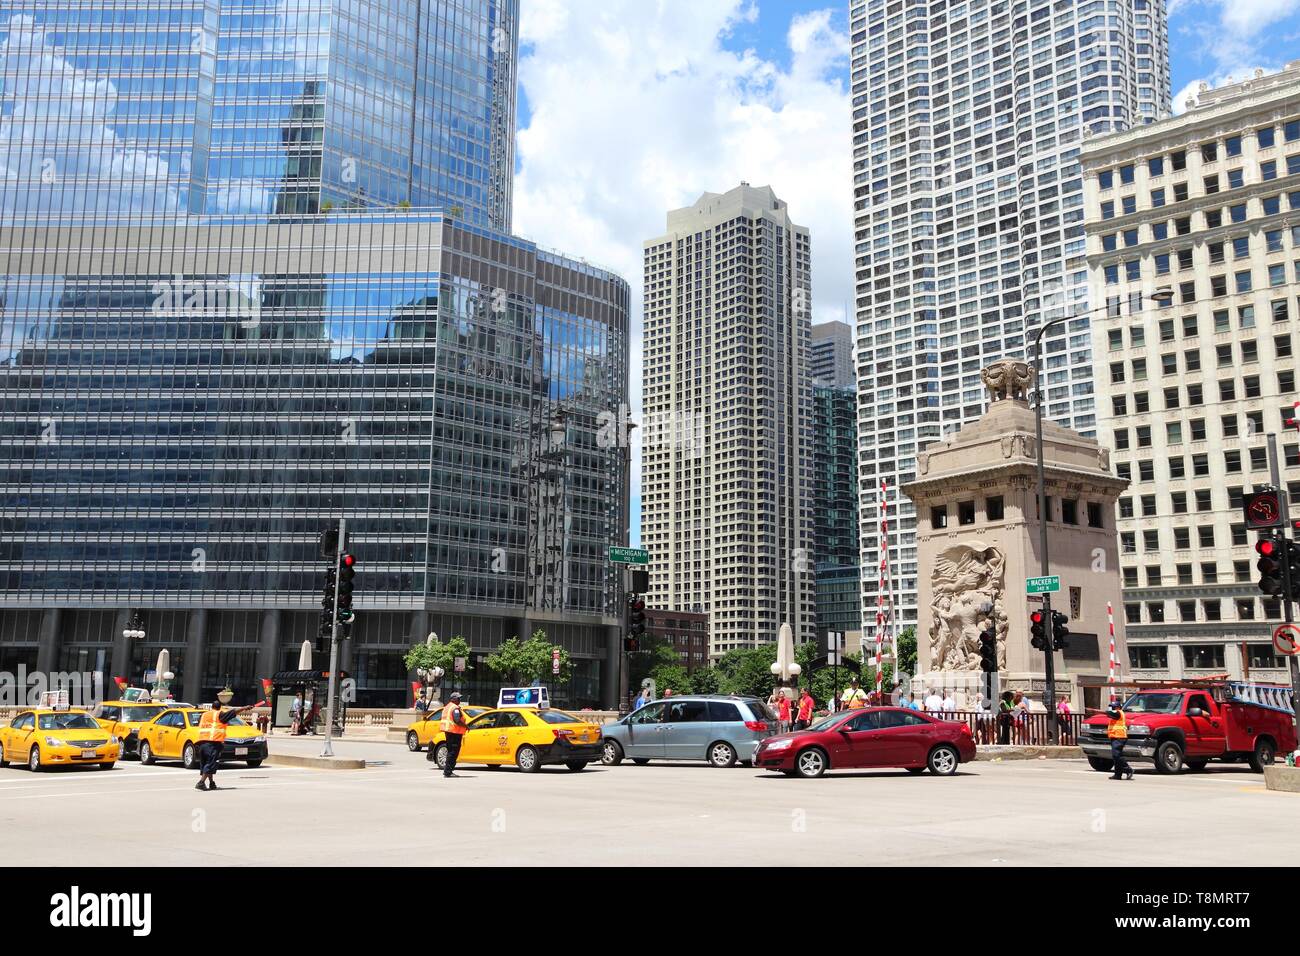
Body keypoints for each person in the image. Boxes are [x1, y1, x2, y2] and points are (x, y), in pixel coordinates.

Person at [196, 698, 257, 792]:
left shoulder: (204, 715)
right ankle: (201, 782)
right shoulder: (219, 714)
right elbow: (233, 712)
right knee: (211, 763)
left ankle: (211, 783)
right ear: (220, 707)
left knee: (206, 763)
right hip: (213, 742)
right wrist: (245, 707)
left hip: (202, 742)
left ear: (212, 707)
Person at [438, 691, 469, 777]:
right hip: (454, 733)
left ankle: (448, 771)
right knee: (453, 752)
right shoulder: (455, 708)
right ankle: (448, 771)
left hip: (449, 732)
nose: (459, 700)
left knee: (451, 752)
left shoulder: (447, 706)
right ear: (453, 699)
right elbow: (457, 720)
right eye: (458, 698)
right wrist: (466, 726)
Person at [1106, 695, 1134, 780]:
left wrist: (1104, 712)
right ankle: (1118, 774)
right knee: (1116, 756)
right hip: (1115, 737)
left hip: (1120, 737)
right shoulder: (1115, 713)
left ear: (1117, 707)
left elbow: (1111, 713)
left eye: (1113, 707)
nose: (1112, 709)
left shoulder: (1118, 713)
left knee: (1116, 755)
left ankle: (1128, 769)